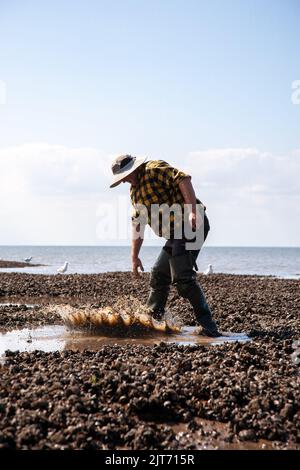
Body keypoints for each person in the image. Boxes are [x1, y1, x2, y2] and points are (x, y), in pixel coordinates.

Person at [110, 154, 220, 337]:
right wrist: (134, 257)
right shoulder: (134, 192)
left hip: (192, 224)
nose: (125, 182)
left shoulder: (154, 169)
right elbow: (138, 222)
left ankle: (209, 327)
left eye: (126, 176)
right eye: (122, 179)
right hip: (176, 235)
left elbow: (183, 179)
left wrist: (192, 211)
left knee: (182, 277)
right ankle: (153, 322)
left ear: (135, 168)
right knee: (159, 275)